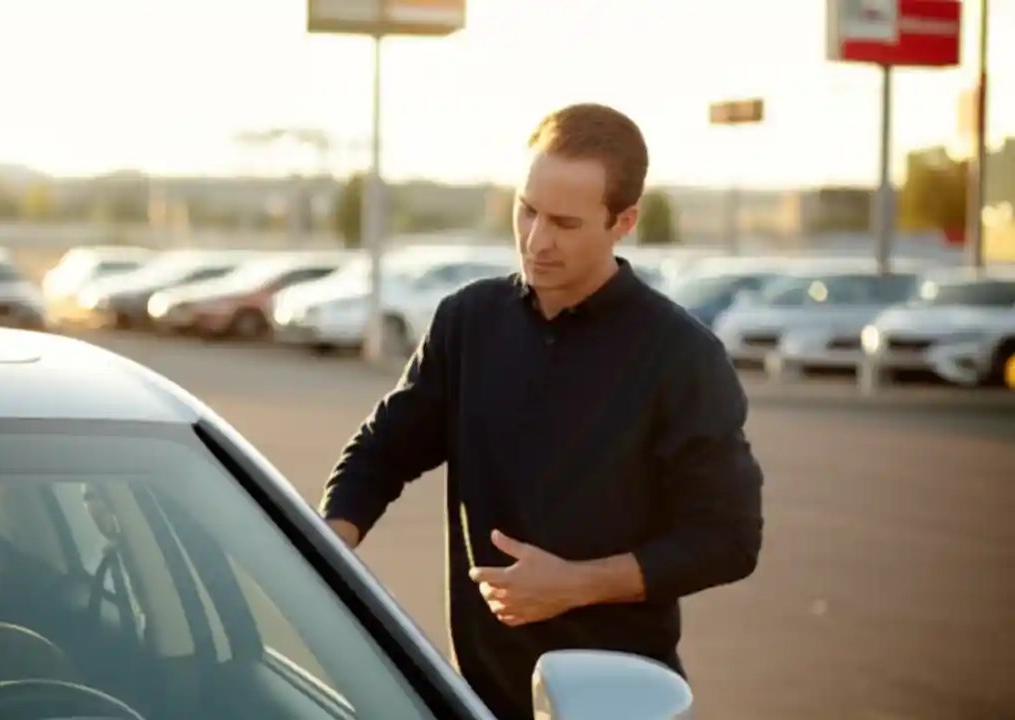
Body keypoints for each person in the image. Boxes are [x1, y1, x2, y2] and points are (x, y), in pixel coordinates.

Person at [318, 103, 763, 719]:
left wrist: (577, 583)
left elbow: (728, 539)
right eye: (526, 210)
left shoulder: (681, 356)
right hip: (474, 699)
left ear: (623, 221)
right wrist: (321, 550)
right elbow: (383, 450)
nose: (535, 240)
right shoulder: (468, 322)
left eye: (564, 222)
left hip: (620, 699)